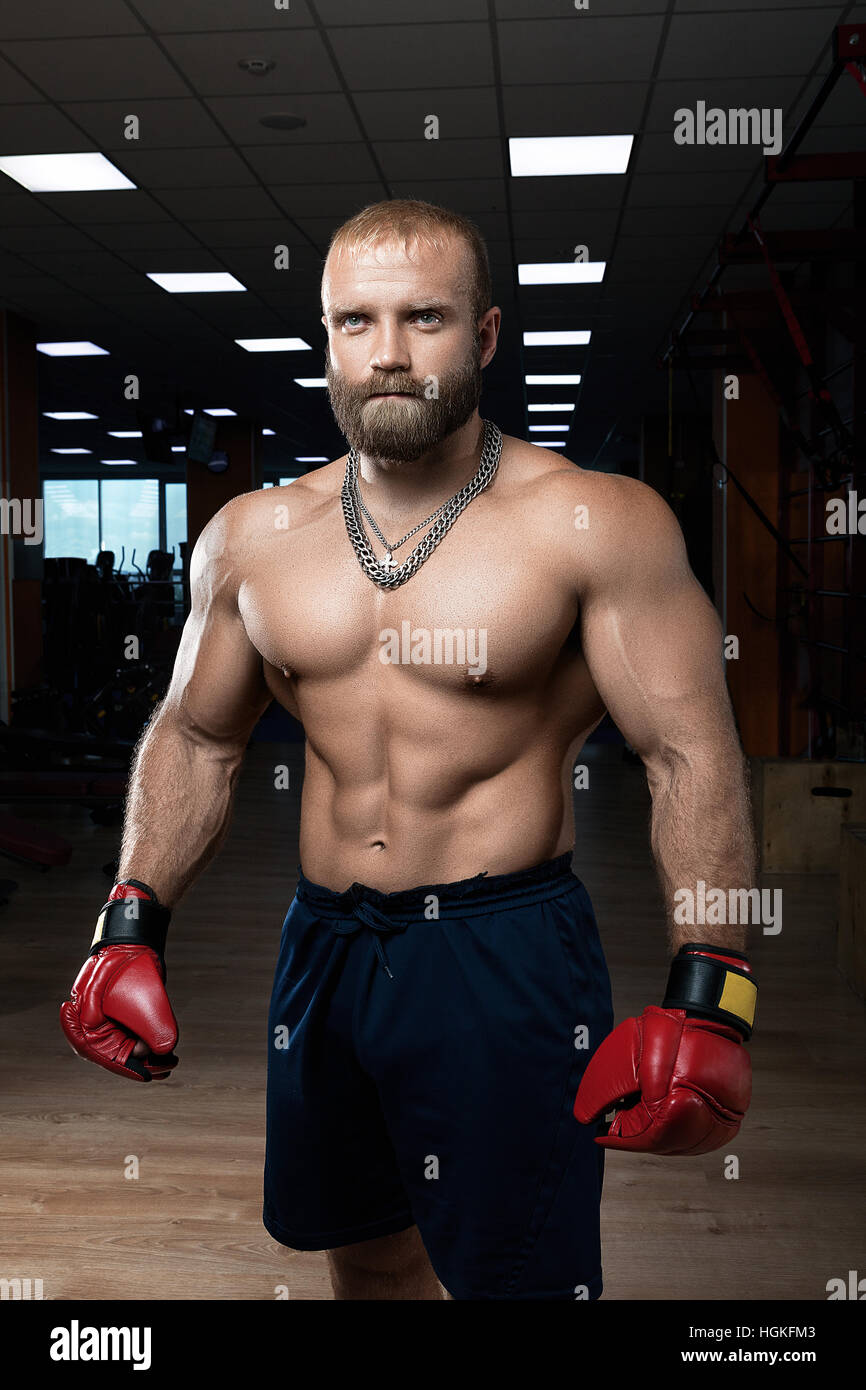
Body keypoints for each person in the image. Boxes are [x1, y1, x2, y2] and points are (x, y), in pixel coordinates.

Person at [61, 199, 757, 1301]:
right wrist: (130, 918)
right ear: (326, 338)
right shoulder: (253, 537)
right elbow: (197, 738)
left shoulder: (592, 521)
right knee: (367, 1254)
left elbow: (687, 754)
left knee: (515, 1274)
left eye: (422, 318)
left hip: (502, 949)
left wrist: (714, 986)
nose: (386, 354)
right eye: (355, 322)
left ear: (481, 337)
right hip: (326, 946)